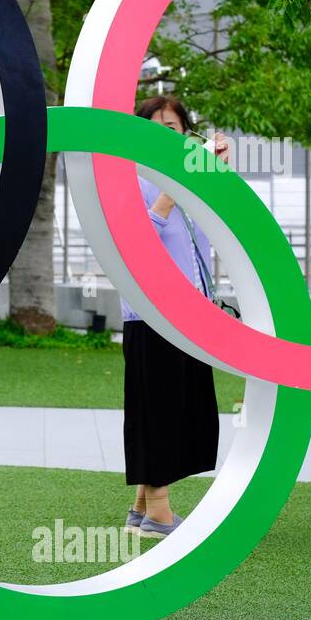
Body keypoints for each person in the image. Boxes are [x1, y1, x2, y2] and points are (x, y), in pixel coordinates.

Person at [120, 95, 230, 539]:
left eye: (175, 127)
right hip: (150, 314)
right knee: (157, 411)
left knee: (184, 411)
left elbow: (223, 227)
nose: (169, 135)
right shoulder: (128, 178)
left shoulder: (193, 178)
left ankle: (141, 508)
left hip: (193, 313)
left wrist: (217, 169)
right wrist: (168, 194)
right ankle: (160, 514)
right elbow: (134, 243)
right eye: (157, 127)